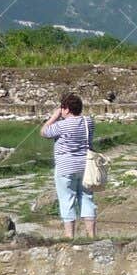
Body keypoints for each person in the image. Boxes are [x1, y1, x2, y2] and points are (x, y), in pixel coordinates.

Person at [41, 93, 96, 239]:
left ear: (66, 109)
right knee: (87, 198)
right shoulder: (88, 122)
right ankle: (91, 234)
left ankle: (69, 234)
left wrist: (54, 116)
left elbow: (44, 131)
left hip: (66, 167)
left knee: (67, 200)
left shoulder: (61, 125)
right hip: (85, 166)